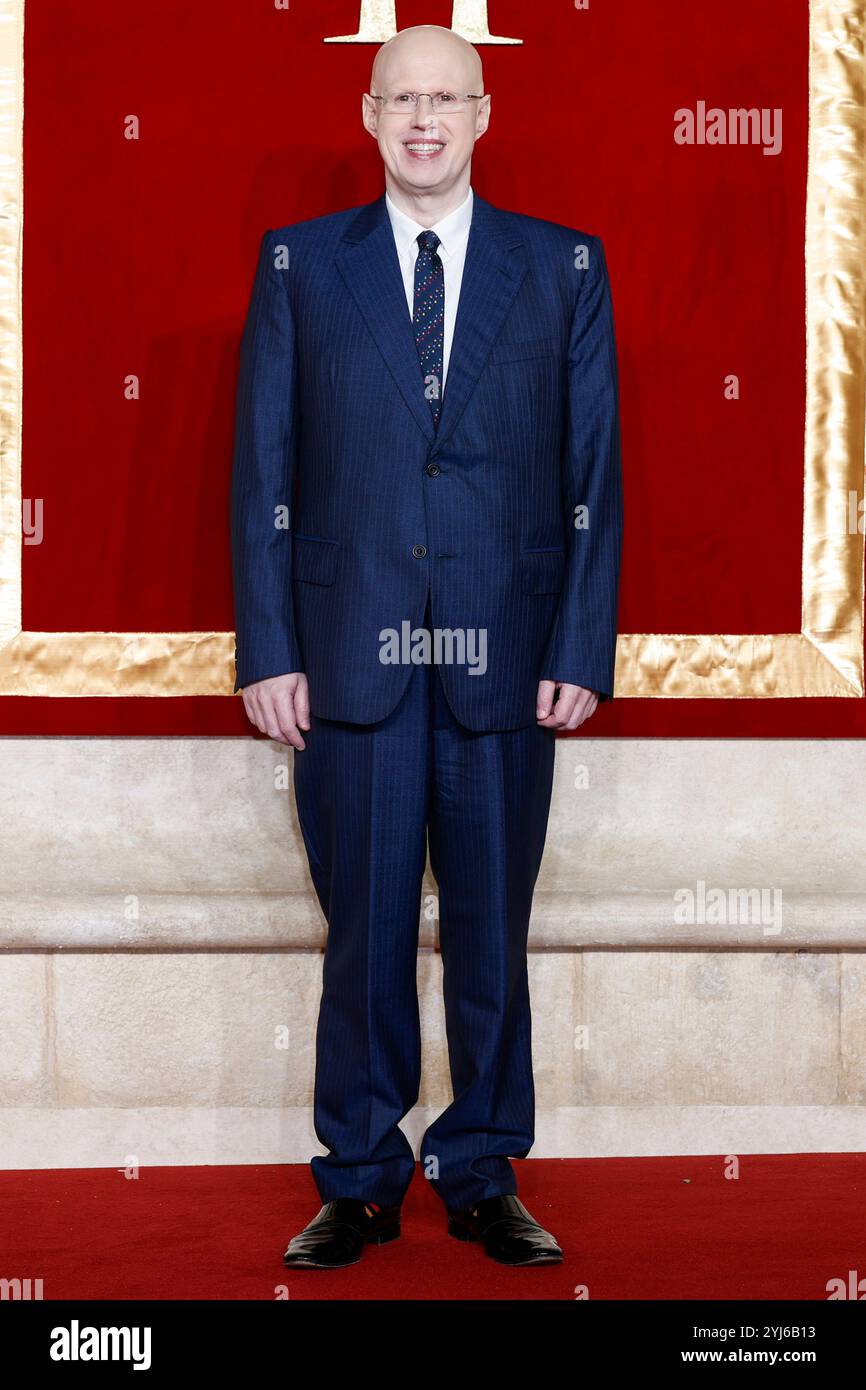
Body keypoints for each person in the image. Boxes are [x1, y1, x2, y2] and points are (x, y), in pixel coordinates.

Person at [230, 23, 623, 1269]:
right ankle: (356, 1174)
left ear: (482, 112)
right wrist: (268, 647)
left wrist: (579, 643)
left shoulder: (564, 266)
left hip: (507, 660)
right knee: (362, 934)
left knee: (491, 930)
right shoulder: (297, 266)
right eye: (401, 97)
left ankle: (480, 1165)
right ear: (366, 111)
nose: (422, 119)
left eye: (444, 97)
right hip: (346, 659)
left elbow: (592, 474)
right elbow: (262, 470)